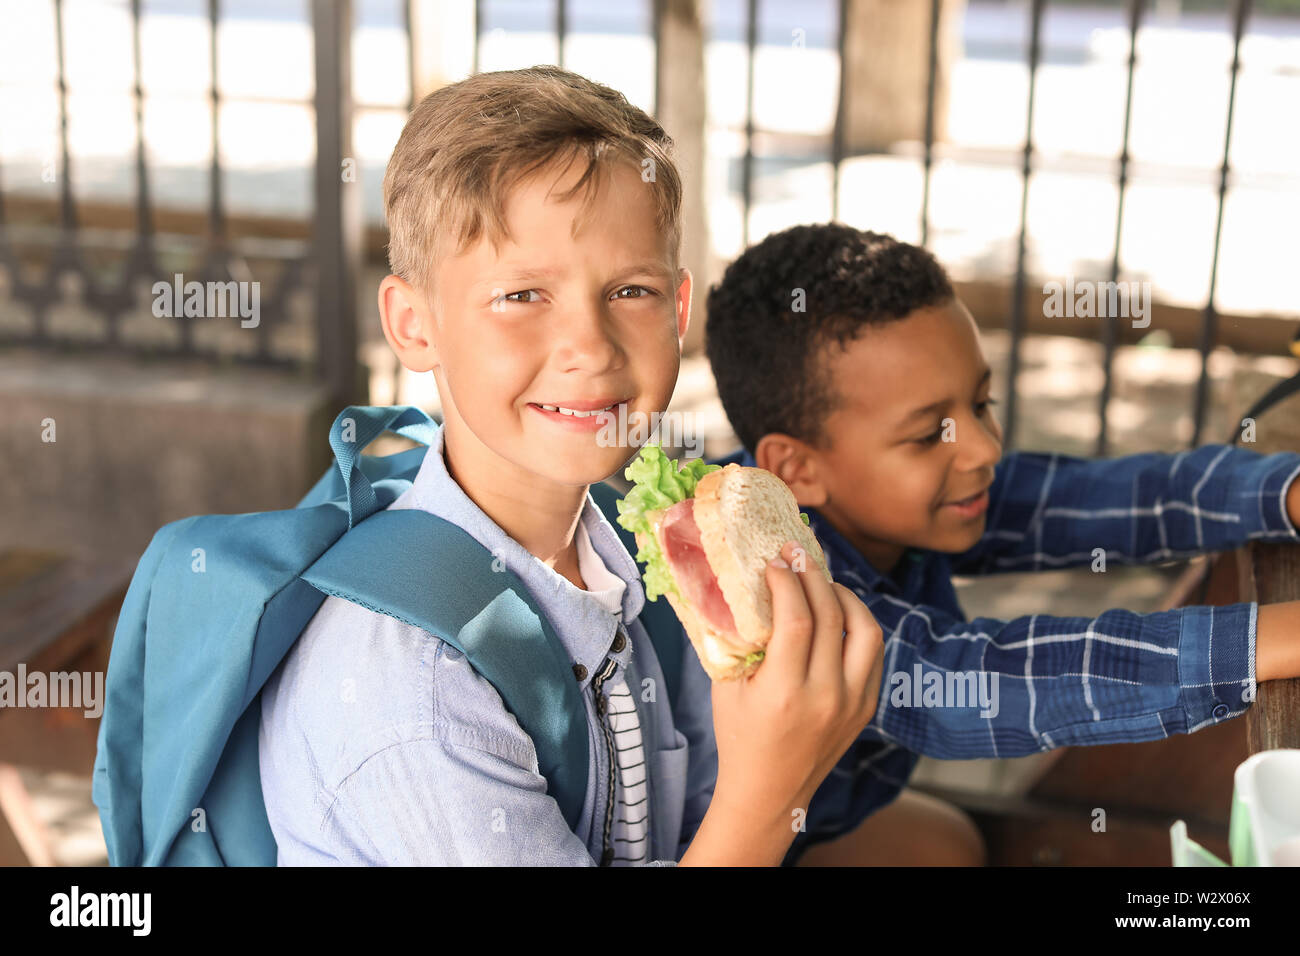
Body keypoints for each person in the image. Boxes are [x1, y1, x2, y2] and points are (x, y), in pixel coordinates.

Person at [256, 67, 885, 866]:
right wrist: (774, 794)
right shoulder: (415, 697)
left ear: (681, 312)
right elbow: (744, 814)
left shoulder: (625, 555)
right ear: (413, 326)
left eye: (630, 290)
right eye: (521, 295)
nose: (589, 346)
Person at [702, 222, 1300, 866]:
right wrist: (1263, 640)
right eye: (931, 434)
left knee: (949, 848)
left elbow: (1107, 499)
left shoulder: (878, 494)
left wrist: (1283, 493)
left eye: (981, 403)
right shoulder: (765, 585)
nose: (985, 448)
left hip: (820, 819)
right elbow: (970, 686)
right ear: (796, 469)